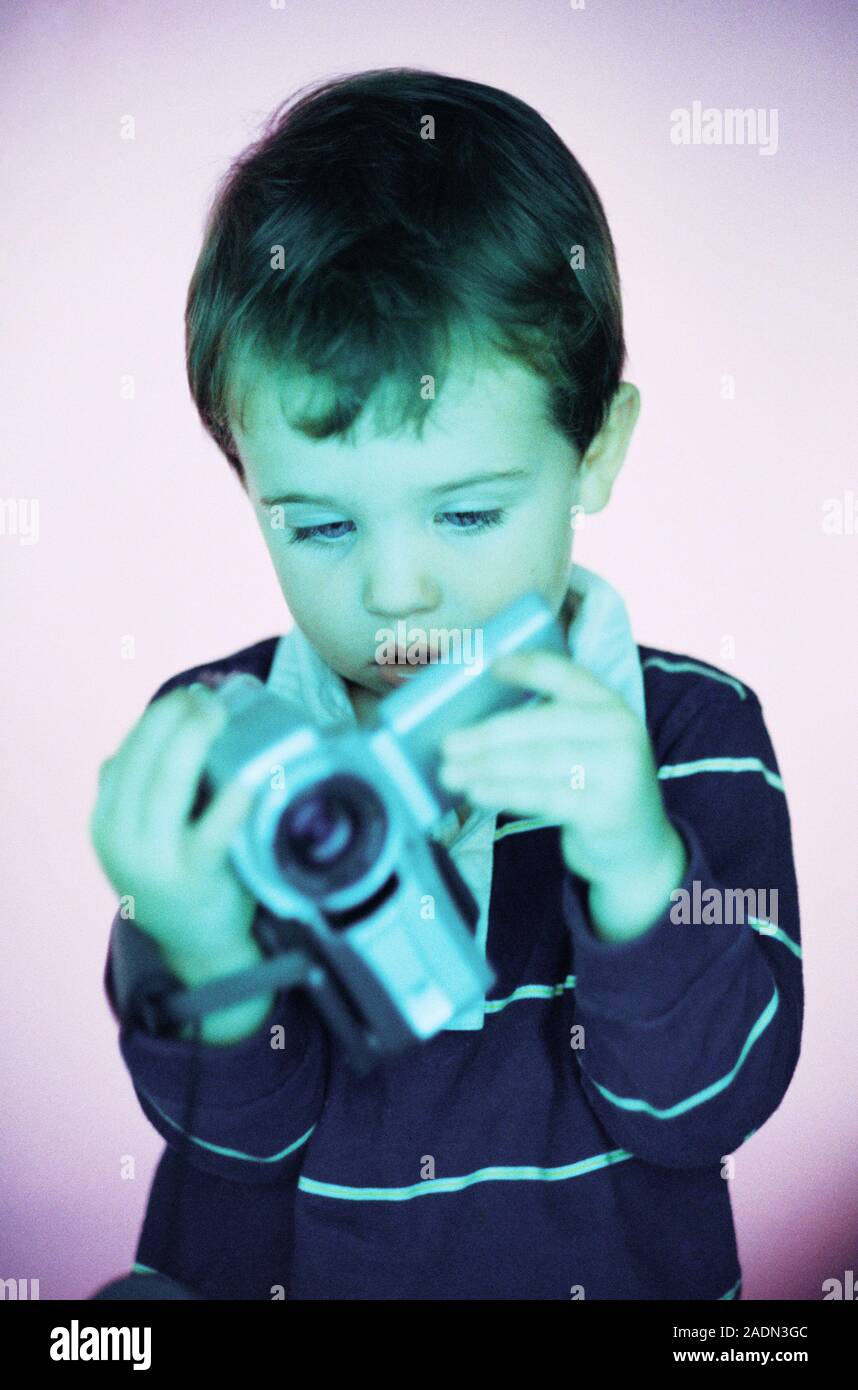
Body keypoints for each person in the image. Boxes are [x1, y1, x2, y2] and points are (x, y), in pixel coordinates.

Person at [91, 68, 803, 1300]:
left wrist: (635, 856)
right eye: (319, 528)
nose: (398, 591)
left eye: (467, 511)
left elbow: (701, 1111)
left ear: (596, 451)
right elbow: (231, 1145)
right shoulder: (220, 754)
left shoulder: (691, 730)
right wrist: (198, 940)